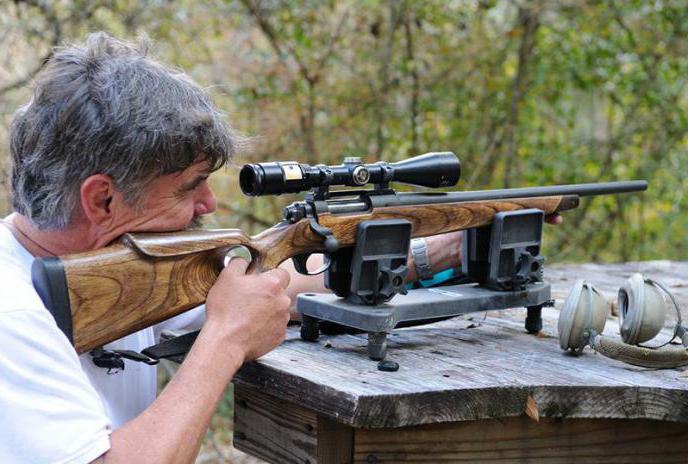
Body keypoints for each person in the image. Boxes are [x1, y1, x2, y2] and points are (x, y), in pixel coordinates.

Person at [0, 33, 475, 463]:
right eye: (189, 187)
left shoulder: (112, 268)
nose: (208, 202)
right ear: (103, 199)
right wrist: (224, 341)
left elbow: (267, 291)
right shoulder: (11, 316)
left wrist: (436, 251)